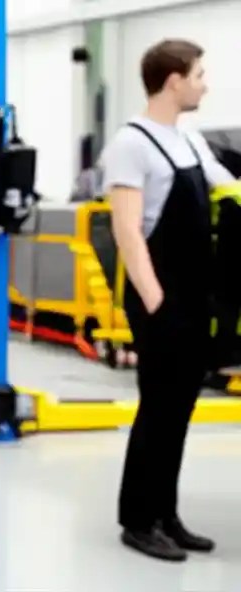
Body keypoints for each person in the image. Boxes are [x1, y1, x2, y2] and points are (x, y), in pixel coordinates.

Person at [99, 38, 232, 561]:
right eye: (199, 74)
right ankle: (137, 519)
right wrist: (157, 304)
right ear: (173, 81)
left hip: (195, 294)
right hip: (160, 296)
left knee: (180, 409)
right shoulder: (130, 144)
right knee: (157, 407)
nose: (204, 83)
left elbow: (229, 189)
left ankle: (167, 515)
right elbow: (128, 231)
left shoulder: (190, 140)